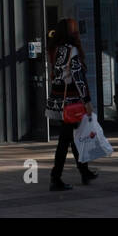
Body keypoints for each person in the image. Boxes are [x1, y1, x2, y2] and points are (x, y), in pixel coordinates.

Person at [45, 18, 96, 190]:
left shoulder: (55, 49)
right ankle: (56, 177)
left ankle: (84, 171)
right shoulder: (72, 50)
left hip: (57, 101)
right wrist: (87, 101)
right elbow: (78, 78)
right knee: (66, 140)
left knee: (72, 139)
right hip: (71, 103)